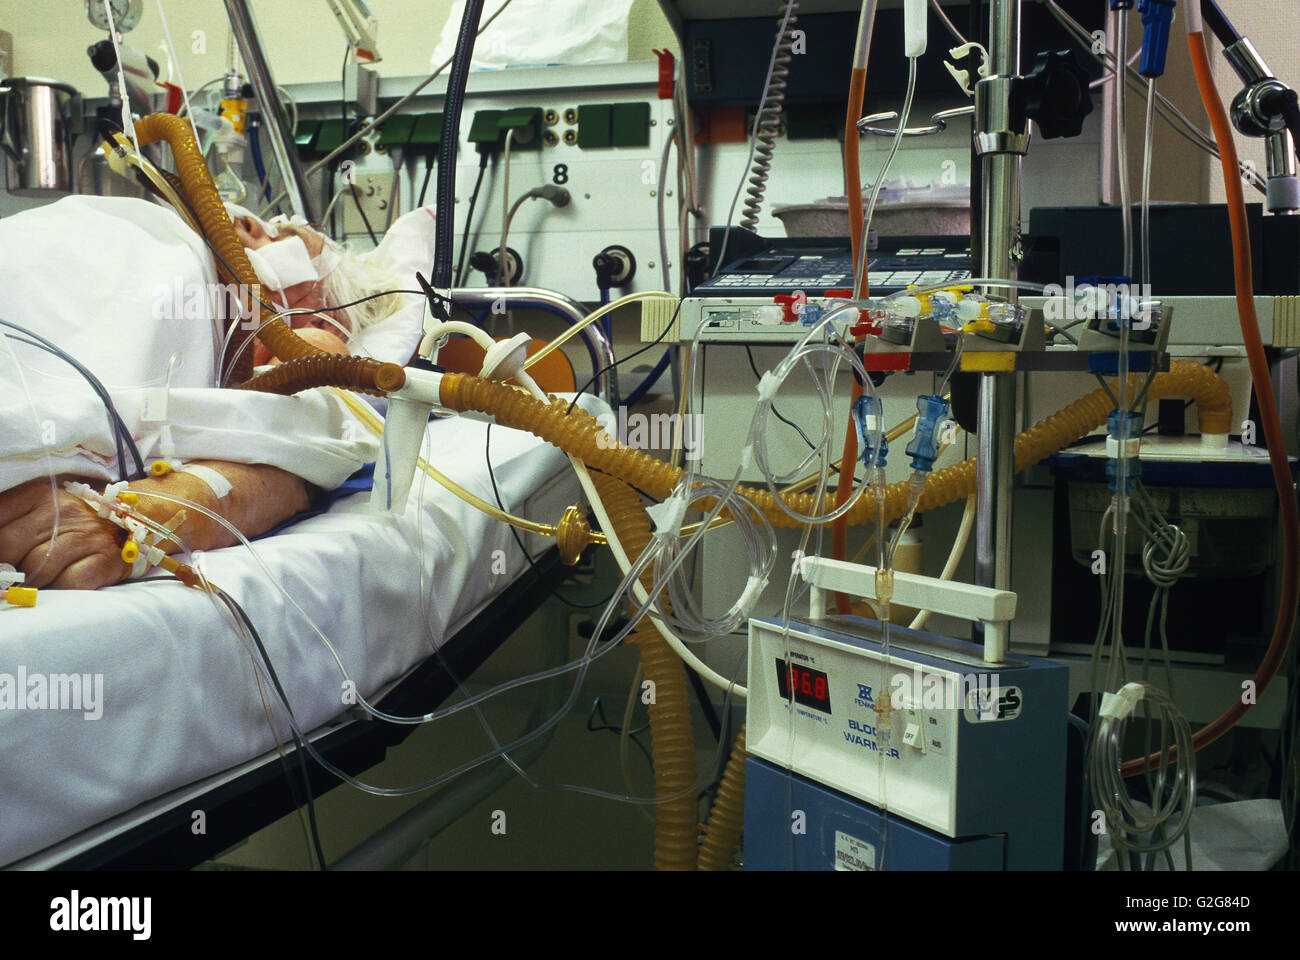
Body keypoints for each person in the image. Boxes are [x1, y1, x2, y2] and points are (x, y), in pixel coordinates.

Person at [0, 194, 432, 590]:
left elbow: (315, 431)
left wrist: (134, 519)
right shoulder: (162, 248)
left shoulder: (302, 353)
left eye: (287, 238)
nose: (252, 229)